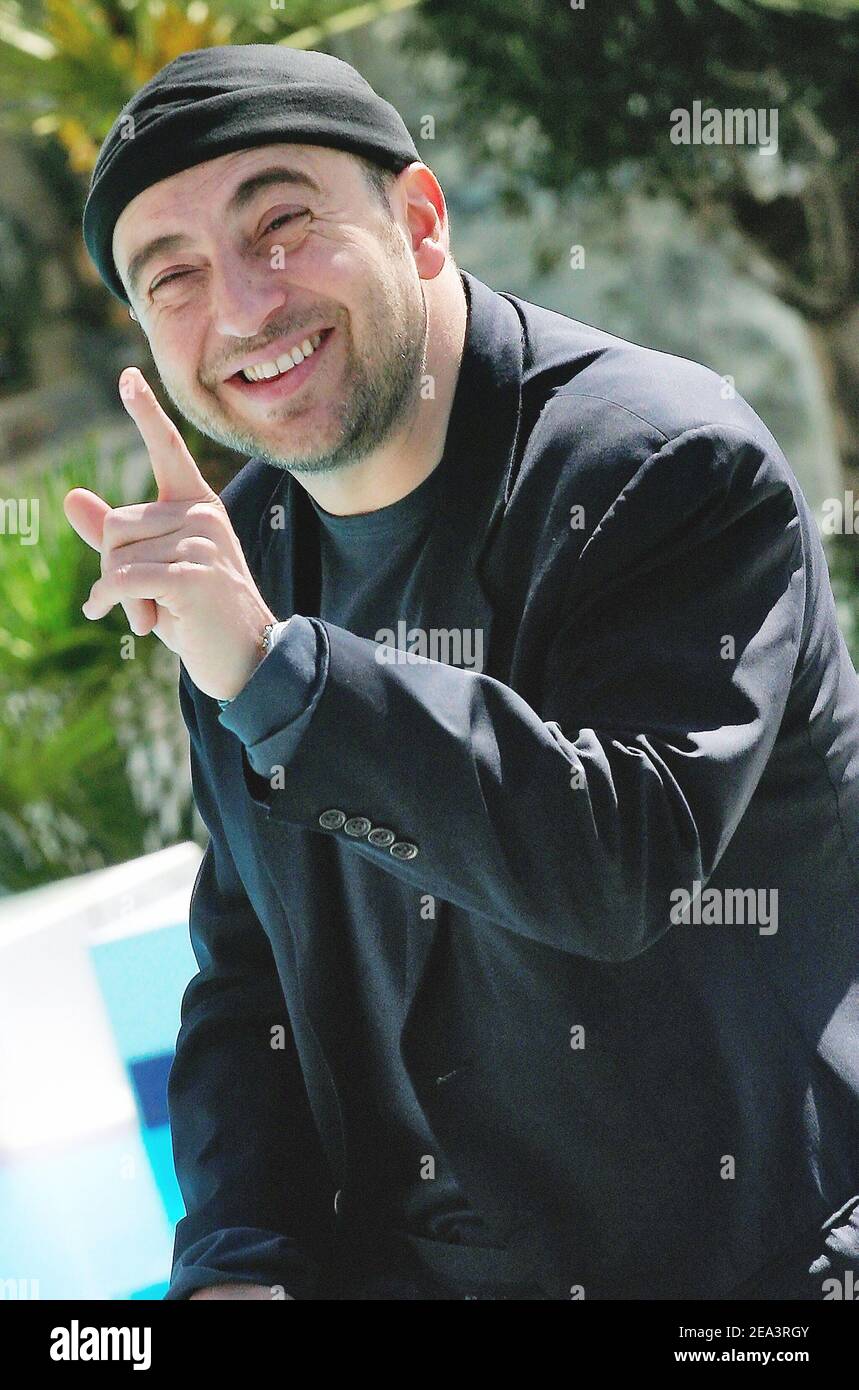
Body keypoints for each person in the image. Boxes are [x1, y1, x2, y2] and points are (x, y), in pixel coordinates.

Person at [69, 44, 859, 1301]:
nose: (245, 306)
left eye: (282, 226)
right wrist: (235, 1258)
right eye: (174, 276)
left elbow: (621, 863)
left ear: (421, 220)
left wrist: (278, 676)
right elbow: (254, 971)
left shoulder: (663, 466)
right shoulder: (245, 547)